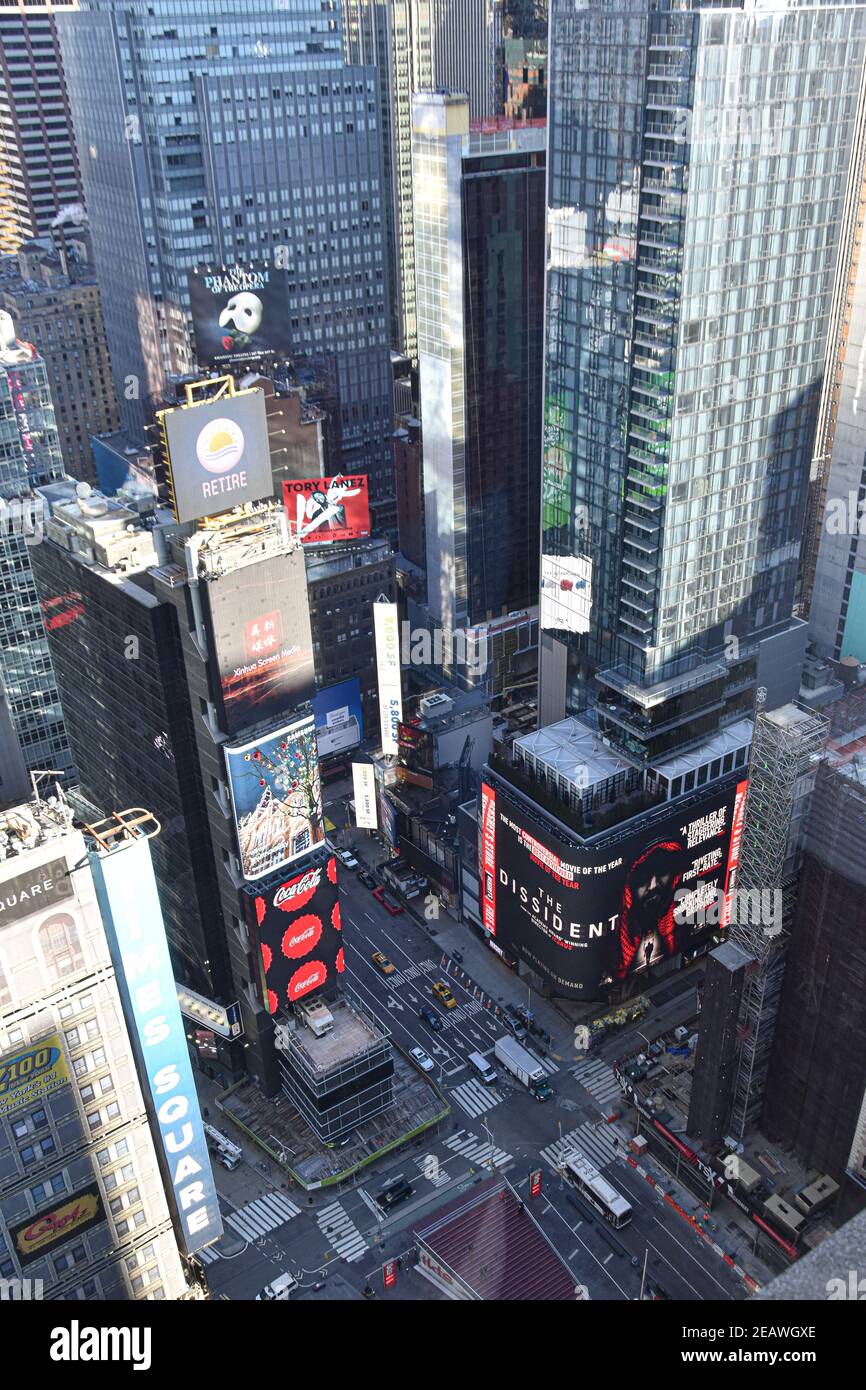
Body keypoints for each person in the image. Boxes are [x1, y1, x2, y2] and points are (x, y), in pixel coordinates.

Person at [614, 840, 686, 981]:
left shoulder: (684, 925)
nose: (653, 886)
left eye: (662, 872)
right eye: (643, 879)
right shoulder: (614, 947)